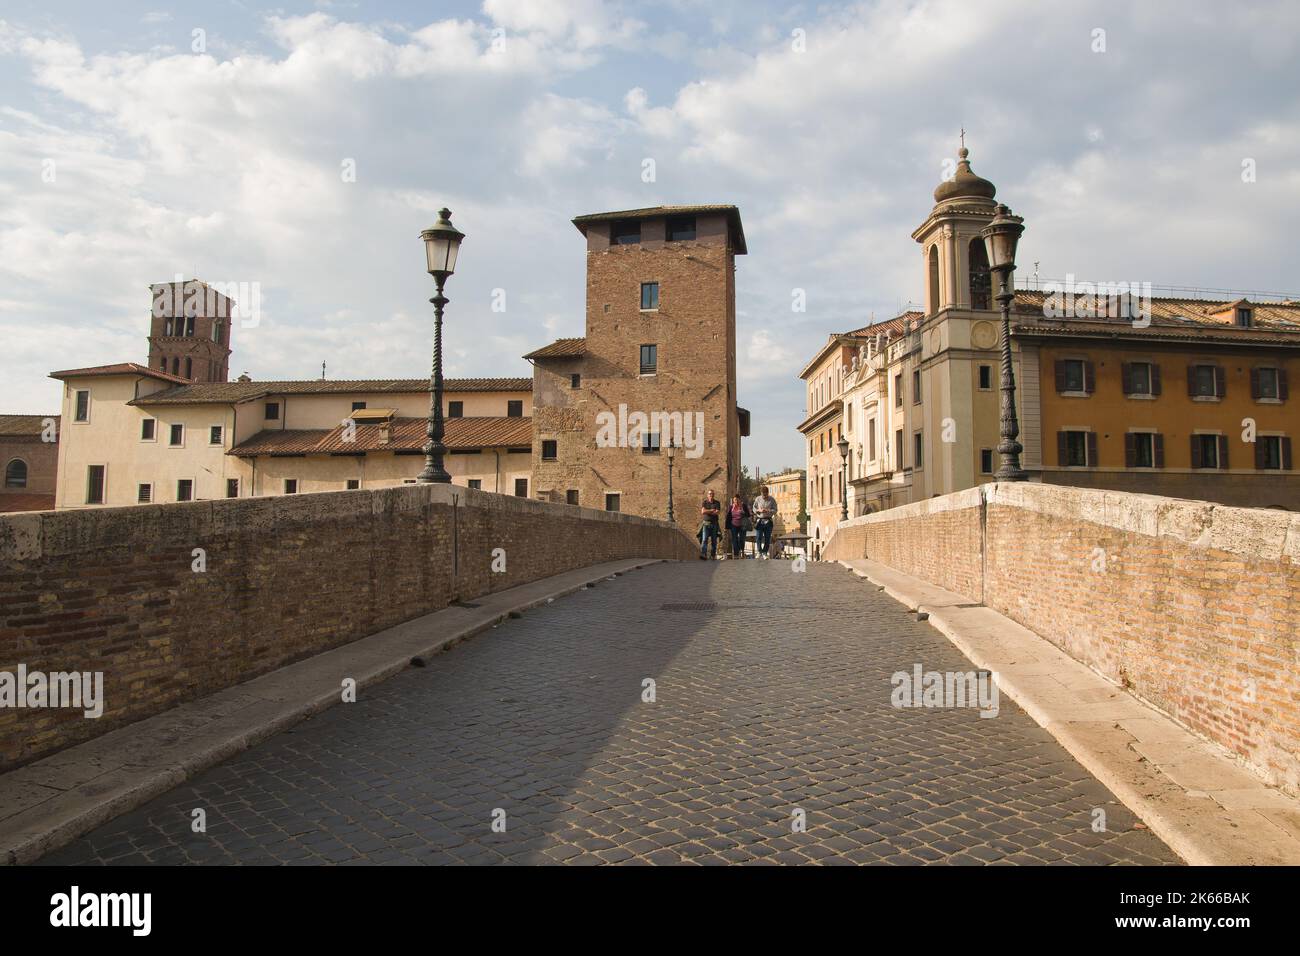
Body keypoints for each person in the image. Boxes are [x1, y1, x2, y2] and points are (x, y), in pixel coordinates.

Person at [751, 485, 777, 560]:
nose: (764, 496)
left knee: (767, 538)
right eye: (763, 494)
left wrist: (768, 510)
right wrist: (758, 510)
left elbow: (775, 510)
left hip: (768, 520)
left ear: (767, 493)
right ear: (761, 493)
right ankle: (759, 551)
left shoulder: (772, 499)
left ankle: (765, 552)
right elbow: (754, 508)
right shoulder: (758, 499)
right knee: (758, 536)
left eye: (765, 494)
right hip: (760, 520)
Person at [723, 493, 750, 559]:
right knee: (734, 540)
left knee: (742, 539)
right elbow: (728, 517)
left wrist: (743, 512)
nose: (736, 501)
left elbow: (748, 514)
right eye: (735, 500)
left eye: (737, 500)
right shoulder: (731, 507)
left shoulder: (743, 506)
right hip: (733, 525)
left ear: (740, 500)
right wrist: (726, 527)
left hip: (742, 525)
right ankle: (736, 554)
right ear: (733, 500)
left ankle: (742, 550)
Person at [698, 490, 721, 560]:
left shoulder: (717, 503)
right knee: (704, 539)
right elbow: (703, 511)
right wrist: (712, 510)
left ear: (714, 495)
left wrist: (707, 511)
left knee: (714, 541)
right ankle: (703, 554)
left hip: (714, 524)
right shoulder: (705, 502)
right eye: (710, 494)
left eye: (712, 494)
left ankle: (713, 555)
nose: (711, 495)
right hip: (706, 524)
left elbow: (717, 512)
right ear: (707, 495)